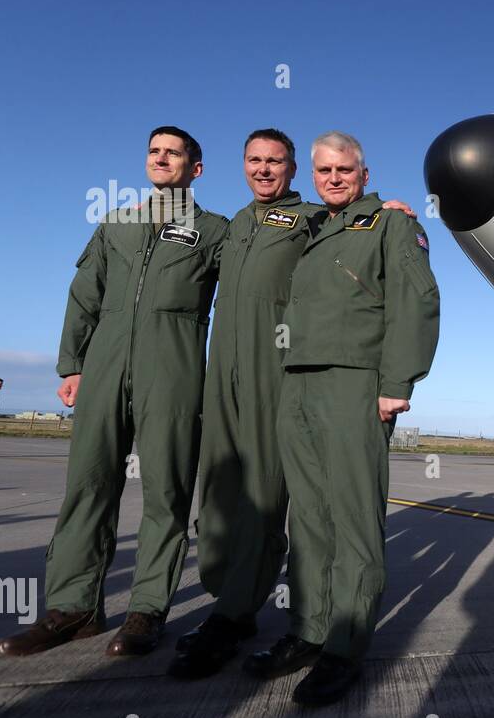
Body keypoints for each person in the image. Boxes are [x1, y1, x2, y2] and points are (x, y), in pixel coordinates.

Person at [171, 129, 414, 679]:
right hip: (228, 375)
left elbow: (388, 269)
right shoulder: (232, 225)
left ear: (290, 169)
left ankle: (249, 617)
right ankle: (257, 611)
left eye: (275, 161)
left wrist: (391, 210)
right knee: (229, 494)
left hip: (283, 372)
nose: (263, 170)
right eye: (253, 160)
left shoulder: (312, 218)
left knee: (279, 499)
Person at [0, 127, 229, 659]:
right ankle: (73, 608)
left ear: (195, 169)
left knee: (166, 492)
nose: (161, 157)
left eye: (173, 152)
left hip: (173, 368)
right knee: (88, 484)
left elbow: (266, 254)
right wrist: (72, 364)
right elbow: (84, 295)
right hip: (103, 365)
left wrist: (364, 212)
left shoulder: (216, 230)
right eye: (154, 151)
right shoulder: (116, 223)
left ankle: (146, 611)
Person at [244, 131, 439, 706]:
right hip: (299, 381)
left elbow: (417, 301)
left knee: (353, 519)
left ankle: (345, 647)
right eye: (324, 170)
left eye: (344, 169)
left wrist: (396, 383)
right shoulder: (313, 229)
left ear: (364, 170)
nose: (333, 178)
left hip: (355, 384)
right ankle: (307, 629)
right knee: (308, 518)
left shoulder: (390, 225)